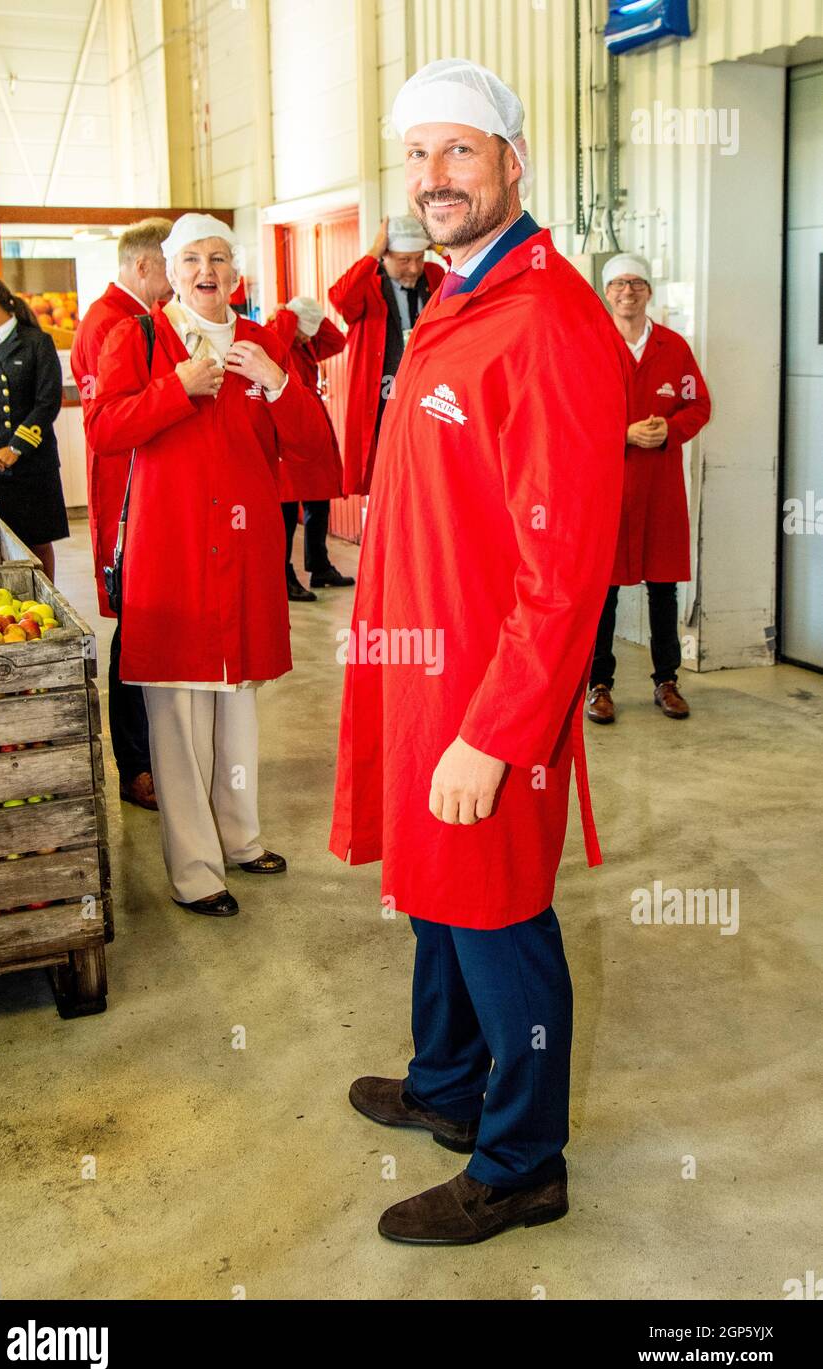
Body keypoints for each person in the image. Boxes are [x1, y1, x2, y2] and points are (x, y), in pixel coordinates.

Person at [329, 58, 629, 1246]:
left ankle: (520, 1163)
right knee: (437, 899)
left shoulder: (546, 317)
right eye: (417, 154)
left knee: (498, 913)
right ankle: (449, 1085)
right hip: (422, 670)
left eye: (458, 152)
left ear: (511, 162)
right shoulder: (456, 295)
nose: (433, 176)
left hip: (490, 690)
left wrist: (495, 732)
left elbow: (564, 569)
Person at [86, 214, 329, 918]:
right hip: (175, 553)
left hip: (246, 553)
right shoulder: (141, 339)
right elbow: (102, 429)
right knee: (177, 714)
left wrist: (282, 384)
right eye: (191, 258)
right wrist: (178, 388)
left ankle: (243, 838)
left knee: (238, 704)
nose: (206, 270)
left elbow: (313, 449)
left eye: (219, 257)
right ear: (169, 268)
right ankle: (195, 870)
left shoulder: (260, 343)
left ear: (236, 270)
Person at [71, 218, 172, 811]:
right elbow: (112, 426)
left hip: (144, 497)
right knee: (133, 634)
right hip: (127, 499)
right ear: (143, 266)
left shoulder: (135, 318)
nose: (187, 275)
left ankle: (153, 755)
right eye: (175, 263)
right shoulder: (115, 324)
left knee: (148, 629)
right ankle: (135, 764)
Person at [586, 253, 712, 724]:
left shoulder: (673, 347)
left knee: (663, 587)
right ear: (606, 292)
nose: (627, 291)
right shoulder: (591, 346)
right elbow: (571, 414)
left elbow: (698, 404)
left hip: (659, 487)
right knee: (604, 590)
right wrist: (621, 434)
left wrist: (671, 431)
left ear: (649, 292)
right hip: (610, 486)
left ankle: (667, 681)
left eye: (636, 283)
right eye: (618, 284)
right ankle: (599, 685)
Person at [0, 275, 69, 579]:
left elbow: (47, 401)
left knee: (37, 539)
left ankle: (46, 599)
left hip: (31, 463)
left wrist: (15, 448)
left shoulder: (36, 342)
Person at [329, 215, 445, 495]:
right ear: (385, 256)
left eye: (419, 257)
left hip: (426, 393)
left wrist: (439, 247)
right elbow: (341, 298)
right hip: (382, 395)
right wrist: (372, 252)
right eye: (404, 260)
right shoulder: (368, 285)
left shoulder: (433, 276)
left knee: (428, 475)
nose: (414, 268)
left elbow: (469, 283)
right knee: (384, 477)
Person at [265, 295, 353, 599]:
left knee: (318, 498)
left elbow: (338, 341)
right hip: (285, 428)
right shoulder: (277, 340)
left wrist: (311, 320)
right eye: (303, 330)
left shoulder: (306, 345)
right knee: (287, 506)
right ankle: (280, 574)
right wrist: (286, 317)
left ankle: (319, 566)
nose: (307, 337)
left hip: (311, 424)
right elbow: (277, 345)